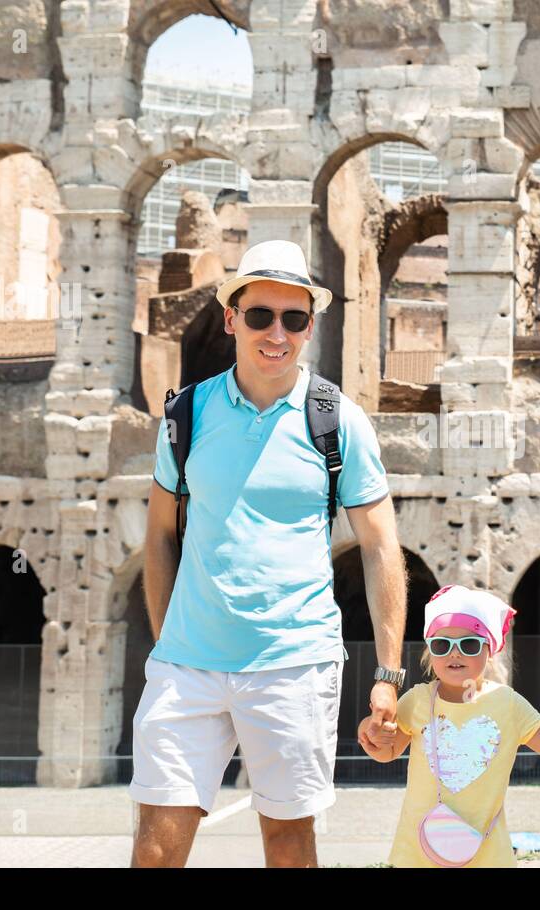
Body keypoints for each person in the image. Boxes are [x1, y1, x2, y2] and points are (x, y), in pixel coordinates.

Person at [130, 239, 409, 867]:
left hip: (293, 663)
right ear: (232, 318)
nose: (276, 332)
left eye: (294, 318)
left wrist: (388, 675)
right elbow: (160, 536)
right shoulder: (186, 415)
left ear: (310, 325)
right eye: (260, 315)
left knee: (288, 843)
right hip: (188, 666)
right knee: (154, 848)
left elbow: (379, 546)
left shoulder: (338, 420)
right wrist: (164, 641)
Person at [359, 584, 540, 867]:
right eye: (442, 645)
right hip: (419, 848)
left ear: (489, 650)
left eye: (468, 644)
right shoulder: (417, 700)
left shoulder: (506, 703)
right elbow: (387, 751)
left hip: (485, 850)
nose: (454, 654)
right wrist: (371, 733)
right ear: (429, 652)